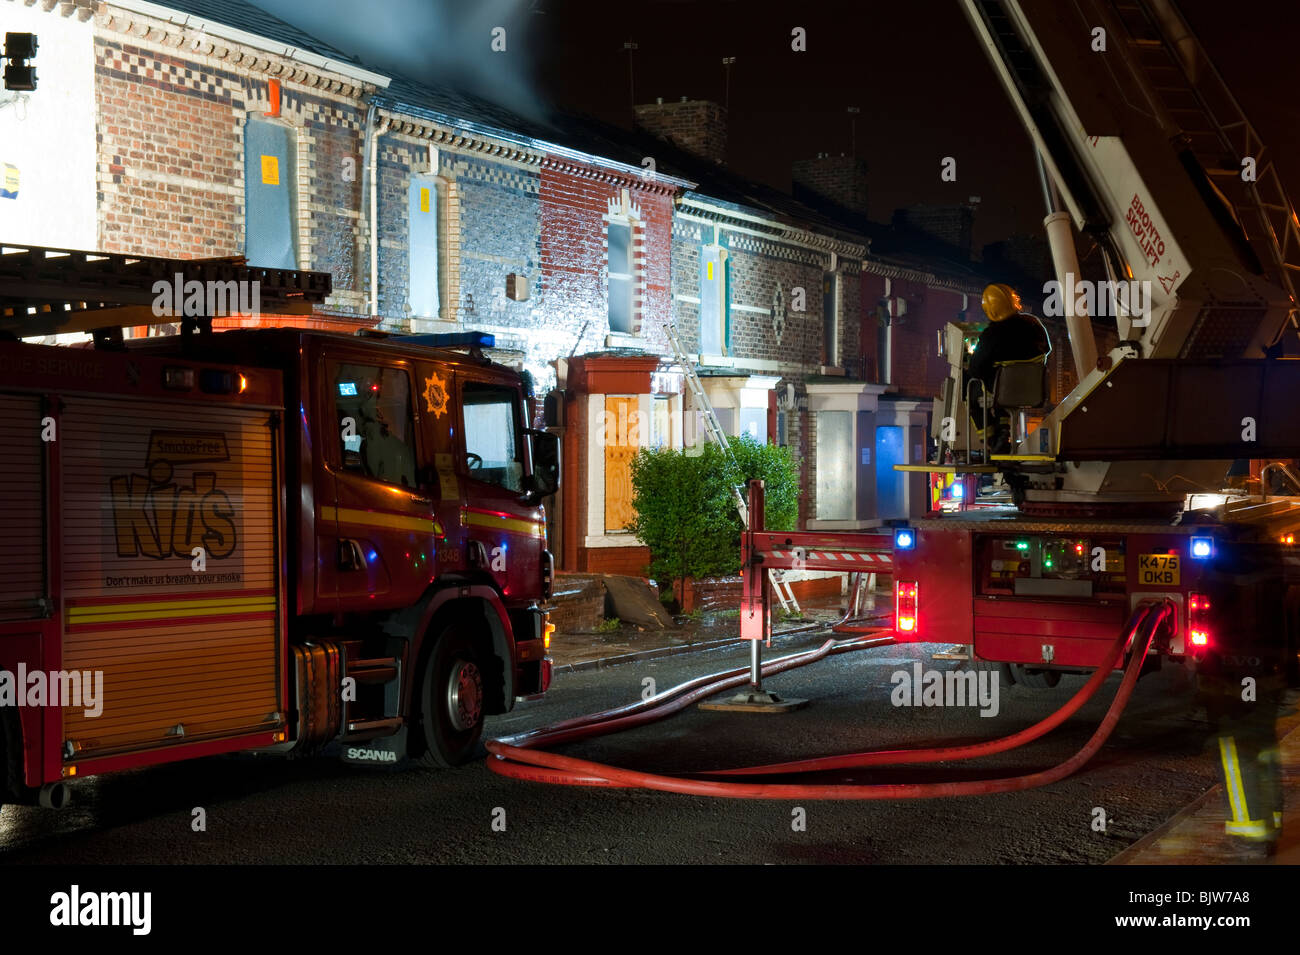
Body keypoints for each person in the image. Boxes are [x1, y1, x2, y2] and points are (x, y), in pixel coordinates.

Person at [965, 283, 1051, 454]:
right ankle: (1004, 429)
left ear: (990, 310)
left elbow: (976, 368)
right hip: (1032, 390)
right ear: (1013, 301)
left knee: (970, 390)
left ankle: (990, 439)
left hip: (1002, 390)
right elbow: (1047, 349)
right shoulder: (1034, 324)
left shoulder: (991, 335)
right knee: (1002, 392)